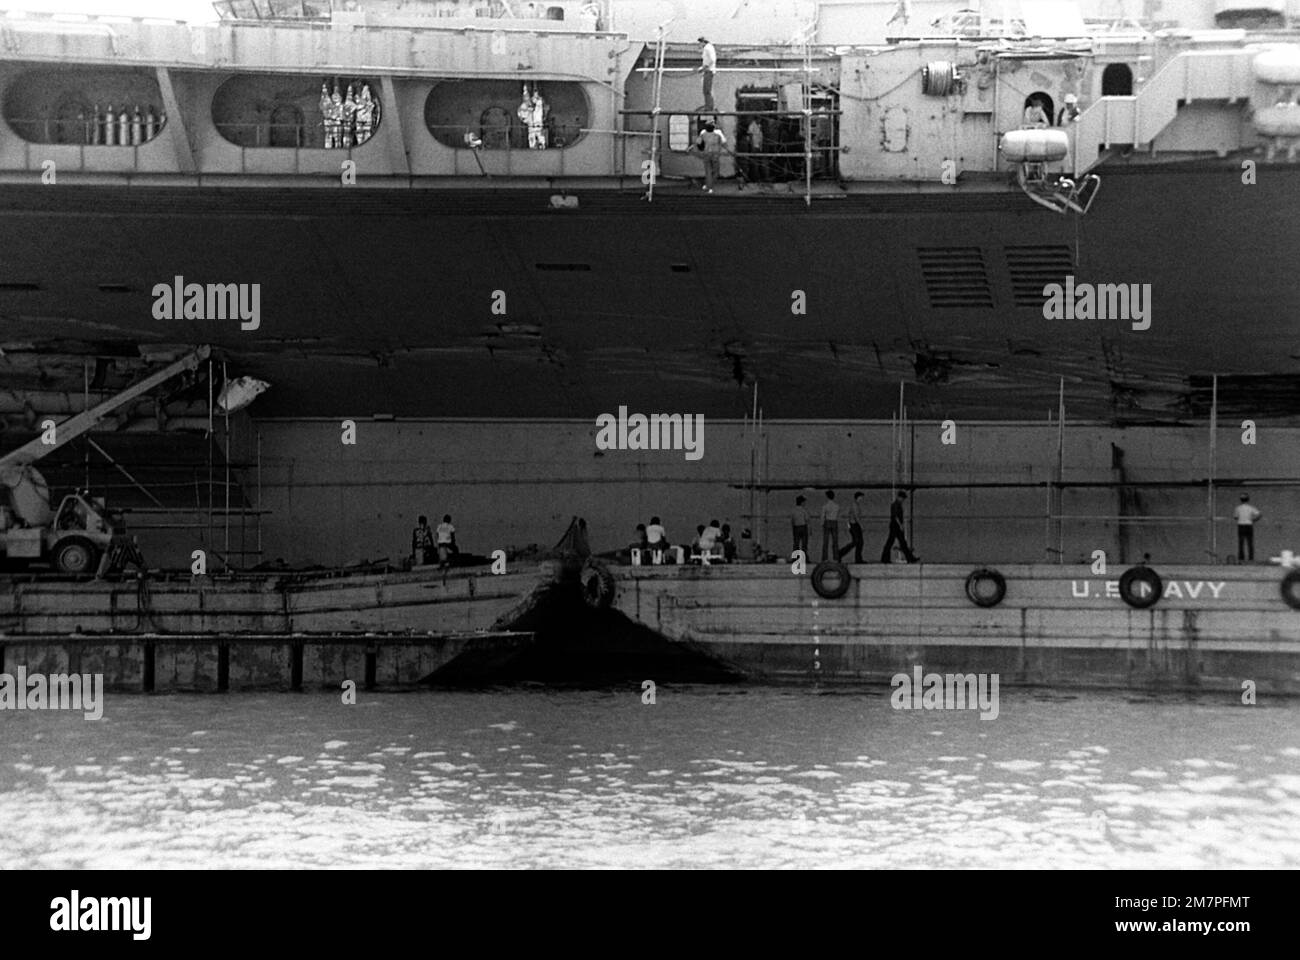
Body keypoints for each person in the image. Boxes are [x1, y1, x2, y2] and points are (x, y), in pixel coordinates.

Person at [880, 491, 918, 563]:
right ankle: (910, 558)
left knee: (898, 542)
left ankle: (910, 558)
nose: (903, 500)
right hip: (895, 526)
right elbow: (896, 516)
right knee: (895, 542)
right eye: (902, 498)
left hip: (895, 525)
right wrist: (900, 525)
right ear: (899, 497)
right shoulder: (895, 505)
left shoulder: (897, 504)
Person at [694, 120, 727, 194]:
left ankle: (708, 185)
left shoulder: (703, 133)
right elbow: (724, 142)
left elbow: (698, 143)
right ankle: (710, 186)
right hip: (715, 154)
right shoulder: (718, 134)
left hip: (706, 154)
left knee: (708, 171)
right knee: (715, 171)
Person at [838, 491, 866, 564]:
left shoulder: (855, 504)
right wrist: (861, 526)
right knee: (857, 542)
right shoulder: (855, 505)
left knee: (859, 542)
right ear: (858, 497)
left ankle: (858, 559)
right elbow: (856, 517)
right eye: (861, 497)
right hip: (854, 525)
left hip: (854, 525)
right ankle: (841, 553)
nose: (862, 499)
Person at [1234, 494, 1261, 562]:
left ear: (1241, 500)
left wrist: (1241, 518)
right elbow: (1259, 514)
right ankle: (1251, 558)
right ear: (1248, 499)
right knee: (1250, 542)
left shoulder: (1238, 508)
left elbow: (1235, 517)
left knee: (1241, 543)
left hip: (1241, 525)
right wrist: (1254, 519)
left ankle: (1241, 558)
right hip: (1249, 525)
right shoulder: (1251, 507)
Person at [697, 37, 718, 111]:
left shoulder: (707, 48)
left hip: (708, 71)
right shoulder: (709, 47)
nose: (699, 45)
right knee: (707, 90)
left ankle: (709, 107)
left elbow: (712, 60)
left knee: (706, 90)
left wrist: (704, 68)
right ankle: (709, 106)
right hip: (708, 70)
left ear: (703, 42)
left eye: (700, 43)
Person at [820, 489, 840, 561]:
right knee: (835, 541)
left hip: (827, 522)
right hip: (834, 522)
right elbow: (837, 515)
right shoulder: (837, 506)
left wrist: (822, 524)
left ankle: (824, 558)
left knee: (825, 541)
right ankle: (836, 557)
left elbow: (822, 516)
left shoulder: (825, 506)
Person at [745, 117, 765, 181]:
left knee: (759, 162)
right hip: (754, 146)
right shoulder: (752, 125)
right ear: (756, 119)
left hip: (759, 146)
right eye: (759, 119)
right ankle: (753, 178)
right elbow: (750, 136)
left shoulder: (759, 125)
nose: (760, 120)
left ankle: (759, 177)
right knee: (754, 163)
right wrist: (752, 146)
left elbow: (760, 136)